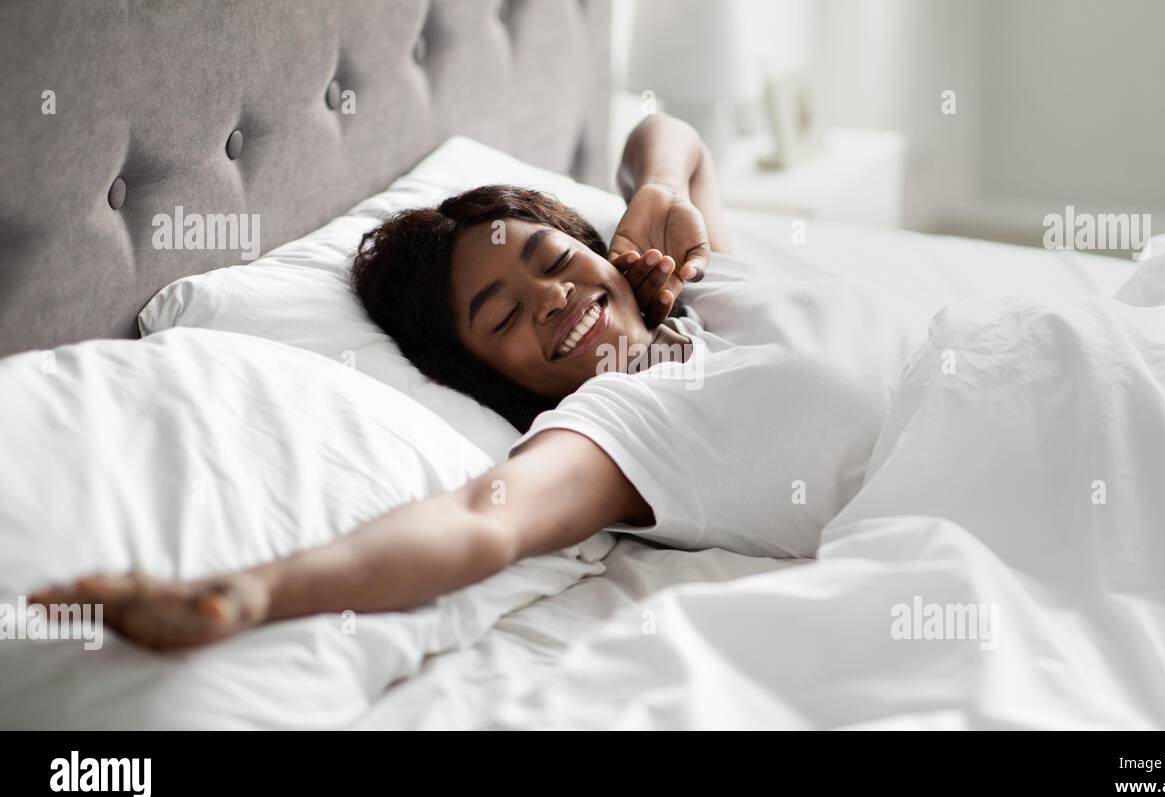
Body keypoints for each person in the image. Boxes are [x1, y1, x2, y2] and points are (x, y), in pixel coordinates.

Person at [29, 114, 922, 650]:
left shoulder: (700, 279)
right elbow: (473, 525)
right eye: (500, 317)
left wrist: (654, 189)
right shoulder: (623, 427)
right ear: (486, 376)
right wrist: (252, 594)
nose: (553, 296)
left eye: (553, 257)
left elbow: (668, 141)